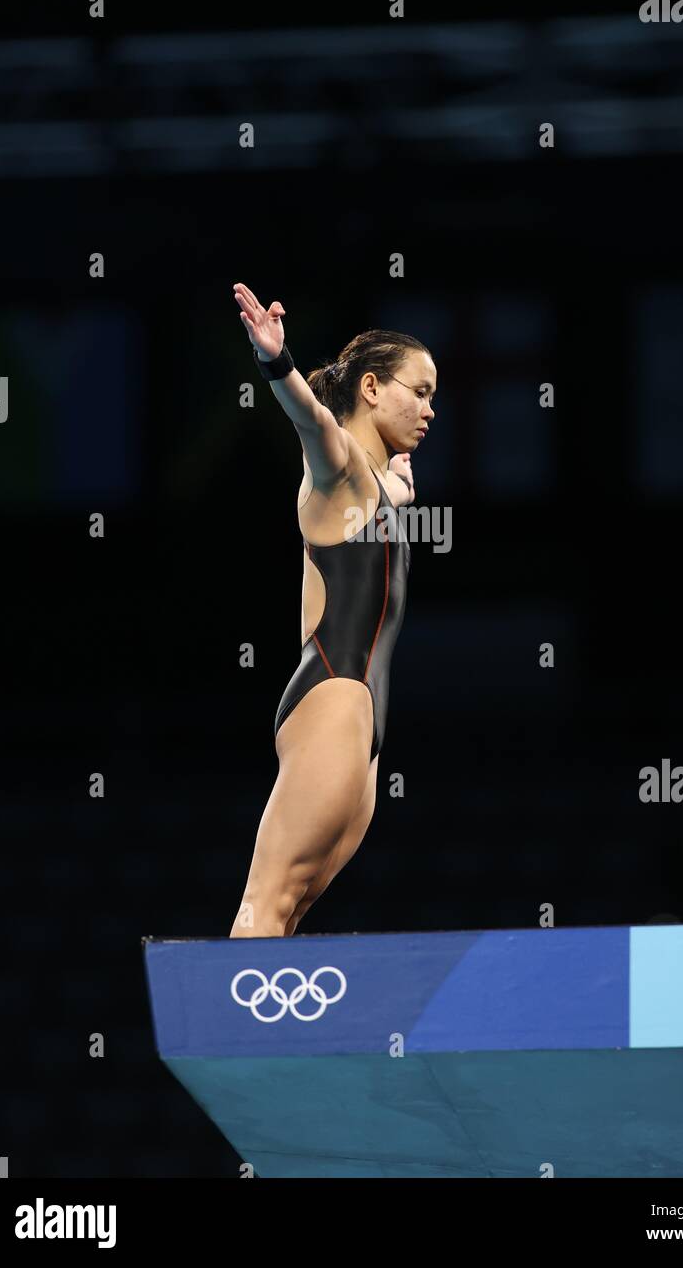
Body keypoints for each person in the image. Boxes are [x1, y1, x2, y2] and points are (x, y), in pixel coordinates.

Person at [229, 283, 437, 938]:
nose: (431, 410)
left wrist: (396, 496)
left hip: (365, 725)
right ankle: (219, 1036)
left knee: (291, 914)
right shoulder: (338, 465)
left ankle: (262, 1042)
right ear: (372, 388)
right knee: (268, 900)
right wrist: (276, 362)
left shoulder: (373, 485)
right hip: (332, 695)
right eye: (420, 390)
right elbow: (313, 422)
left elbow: (373, 511)